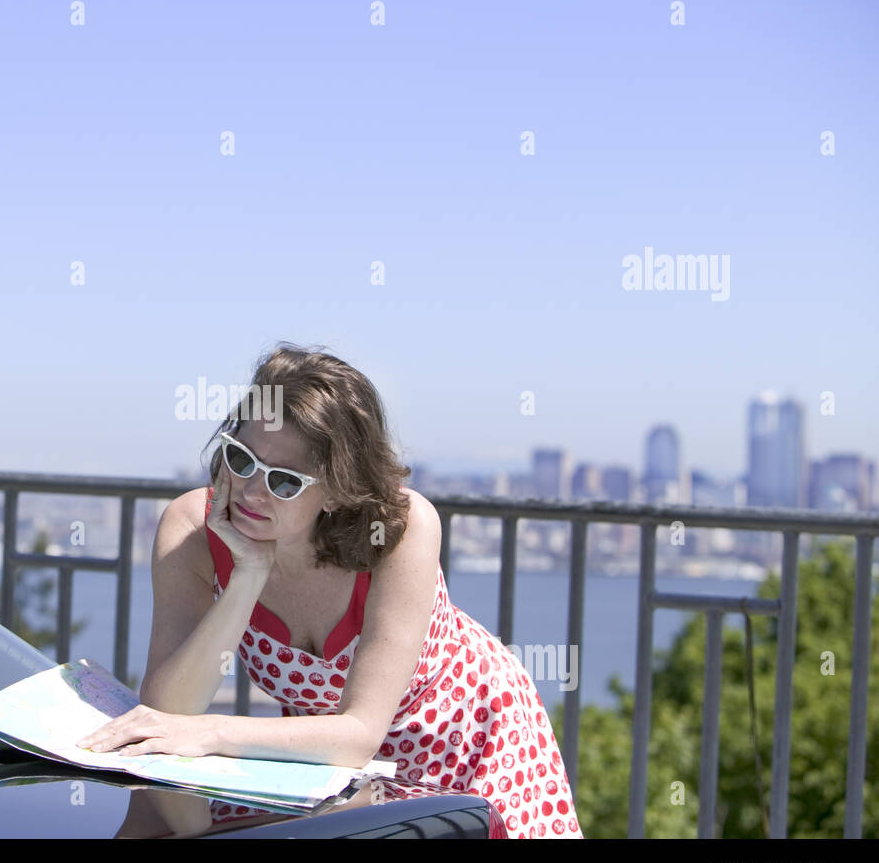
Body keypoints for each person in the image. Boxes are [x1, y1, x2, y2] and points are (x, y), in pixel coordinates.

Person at [77, 344, 582, 838]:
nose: (252, 491)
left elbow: (359, 733)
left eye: (285, 482)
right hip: (327, 753)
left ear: (339, 489)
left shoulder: (403, 529)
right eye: (242, 458)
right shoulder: (192, 530)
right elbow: (167, 714)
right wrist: (247, 576)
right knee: (149, 820)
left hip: (468, 742)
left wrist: (209, 733)